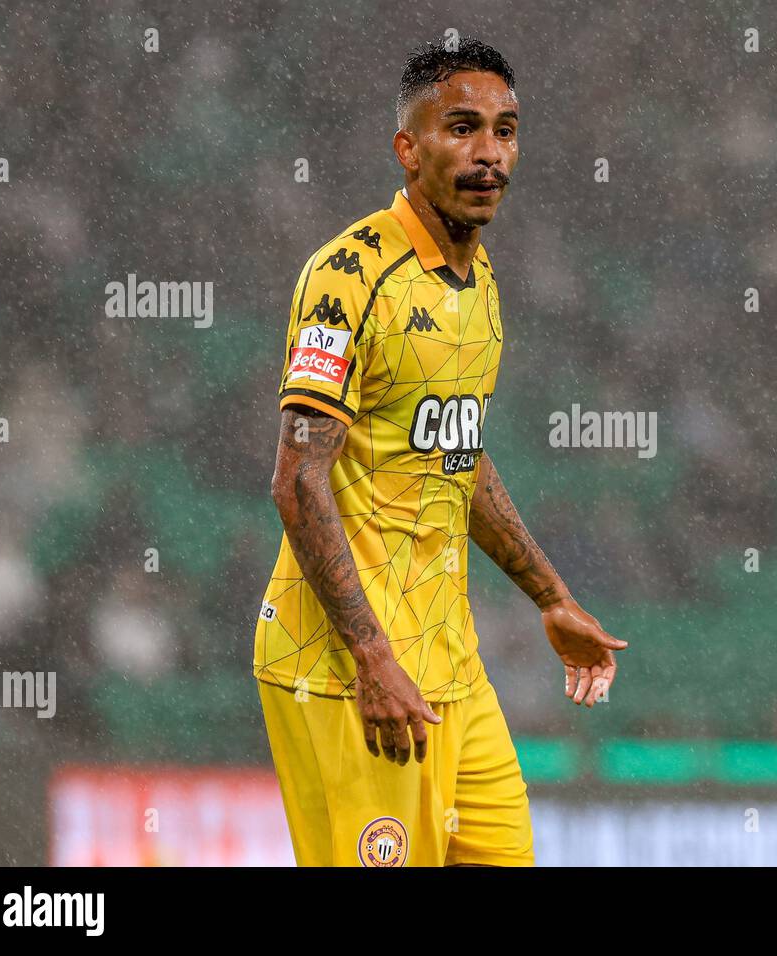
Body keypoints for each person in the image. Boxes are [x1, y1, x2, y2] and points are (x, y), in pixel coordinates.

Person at [253, 37, 626, 867]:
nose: (489, 152)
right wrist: (372, 659)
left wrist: (550, 597)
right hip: (348, 671)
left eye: (505, 129)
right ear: (408, 148)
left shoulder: (479, 281)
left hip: (451, 668)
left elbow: (460, 462)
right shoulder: (347, 275)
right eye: (463, 128)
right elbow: (296, 477)